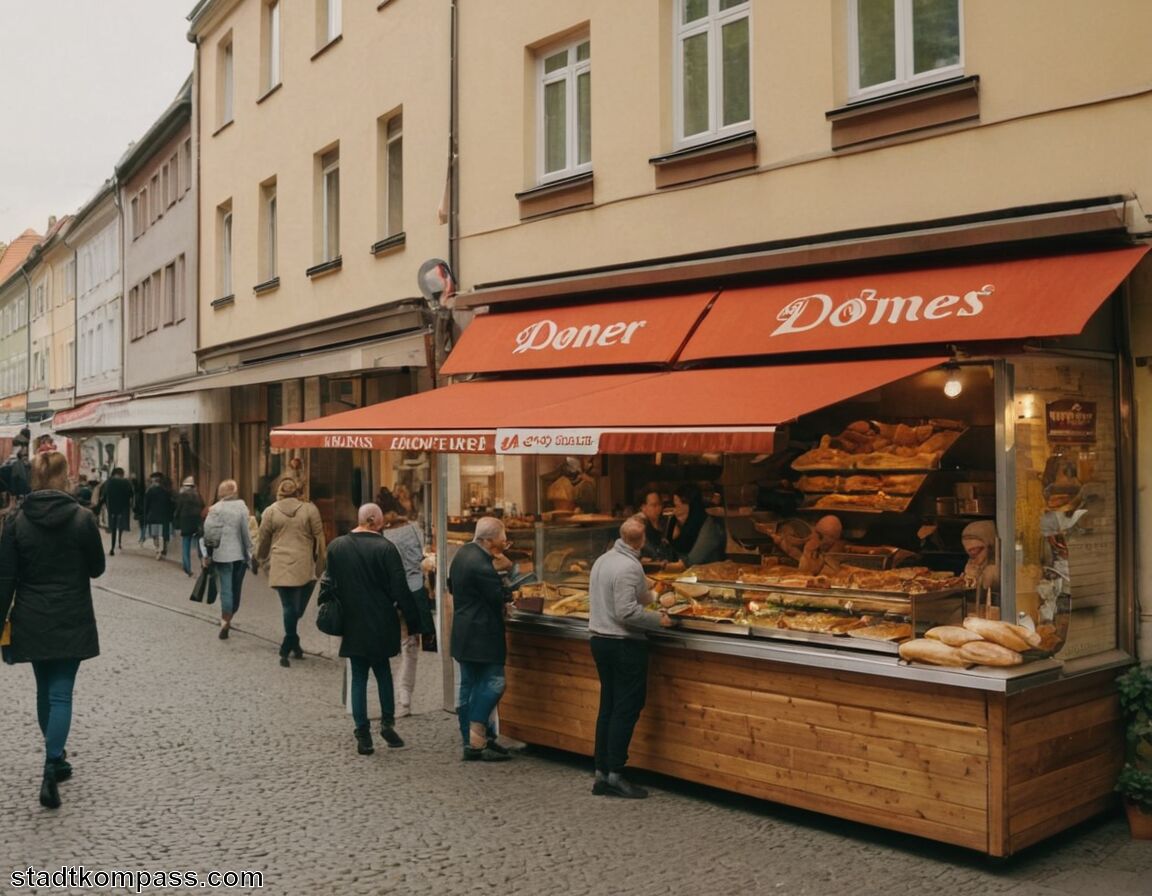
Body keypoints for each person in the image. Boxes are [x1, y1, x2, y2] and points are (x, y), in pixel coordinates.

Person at [0, 450, 105, 809]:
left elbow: (5, 578)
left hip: (31, 615)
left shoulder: (16, 520)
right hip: (71, 614)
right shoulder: (82, 518)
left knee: (44, 691)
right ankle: (52, 762)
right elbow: (97, 569)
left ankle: (55, 757)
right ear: (65, 478)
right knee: (61, 693)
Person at [588, 515, 675, 799]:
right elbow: (627, 612)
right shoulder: (629, 566)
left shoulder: (604, 560)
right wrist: (658, 620)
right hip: (623, 645)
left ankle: (601, 772)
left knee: (608, 707)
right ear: (642, 540)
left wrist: (654, 595)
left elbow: (634, 596)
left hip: (600, 640)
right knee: (626, 709)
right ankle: (616, 773)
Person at [326, 502, 419, 755]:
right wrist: (413, 620)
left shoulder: (337, 546)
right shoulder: (386, 548)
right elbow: (400, 588)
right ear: (377, 522)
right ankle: (388, 724)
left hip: (352, 620)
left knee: (358, 676)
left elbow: (328, 585)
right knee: (383, 673)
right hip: (381, 620)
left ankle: (362, 732)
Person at [449, 516, 515, 762]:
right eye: (503, 538)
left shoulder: (462, 554)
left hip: (464, 631)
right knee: (494, 683)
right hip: (482, 634)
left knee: (469, 686)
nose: (505, 542)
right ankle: (477, 737)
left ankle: (472, 740)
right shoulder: (482, 565)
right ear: (489, 540)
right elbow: (498, 597)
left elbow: (452, 586)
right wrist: (508, 575)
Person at [256, 478, 327, 667]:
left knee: (291, 607)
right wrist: (321, 564)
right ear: (297, 493)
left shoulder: (270, 512)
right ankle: (287, 645)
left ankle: (292, 643)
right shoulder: (310, 510)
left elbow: (263, 539)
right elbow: (320, 538)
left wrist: (260, 557)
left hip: (280, 563)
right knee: (295, 608)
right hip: (304, 565)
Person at [379, 497, 434, 717]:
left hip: (390, 595)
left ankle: (393, 699)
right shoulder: (414, 531)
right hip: (414, 592)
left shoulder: (382, 538)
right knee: (410, 646)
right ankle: (405, 697)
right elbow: (423, 559)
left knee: (391, 647)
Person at [202, 479, 254, 640]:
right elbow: (246, 533)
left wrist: (207, 555)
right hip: (239, 555)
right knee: (236, 588)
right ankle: (231, 614)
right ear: (234, 492)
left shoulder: (215, 509)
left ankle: (225, 620)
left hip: (221, 555)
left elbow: (209, 534)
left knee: (225, 589)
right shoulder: (241, 507)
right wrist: (250, 553)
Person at [665, 482, 725, 567]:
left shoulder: (709, 527)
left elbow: (691, 562)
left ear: (690, 506)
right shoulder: (677, 523)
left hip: (706, 575)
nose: (675, 511)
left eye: (677, 506)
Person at [95, 467, 133, 556]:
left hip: (111, 508)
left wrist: (100, 506)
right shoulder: (126, 482)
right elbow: (131, 495)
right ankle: (119, 542)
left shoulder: (109, 482)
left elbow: (104, 495)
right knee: (120, 527)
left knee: (113, 527)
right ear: (121, 474)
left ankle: (112, 547)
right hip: (123, 508)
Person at [173, 477, 206, 577]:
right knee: (200, 545)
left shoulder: (181, 496)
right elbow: (203, 506)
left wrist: (176, 520)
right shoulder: (198, 495)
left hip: (186, 522)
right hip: (197, 522)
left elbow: (178, 509)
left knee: (186, 545)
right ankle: (202, 564)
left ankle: (187, 568)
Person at [637, 488, 676, 566]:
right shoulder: (638, 527)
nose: (658, 508)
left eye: (659, 504)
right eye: (653, 505)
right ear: (643, 507)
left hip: (670, 569)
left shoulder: (667, 523)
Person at [961, 520, 1000, 597]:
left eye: (978, 550)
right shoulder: (971, 563)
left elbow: (987, 583)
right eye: (970, 552)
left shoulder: (996, 569)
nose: (973, 554)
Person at [142, 473, 176, 560]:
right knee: (164, 535)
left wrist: (145, 516)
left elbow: (146, 505)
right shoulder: (166, 492)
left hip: (153, 517)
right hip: (164, 517)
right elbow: (171, 505)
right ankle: (163, 550)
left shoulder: (149, 491)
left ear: (154, 482)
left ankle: (157, 550)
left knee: (155, 535)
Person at [0, 426, 32, 504]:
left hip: (15, 463)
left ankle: (12, 499)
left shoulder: (17, 439)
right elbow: (20, 452)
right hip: (18, 466)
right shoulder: (23, 441)